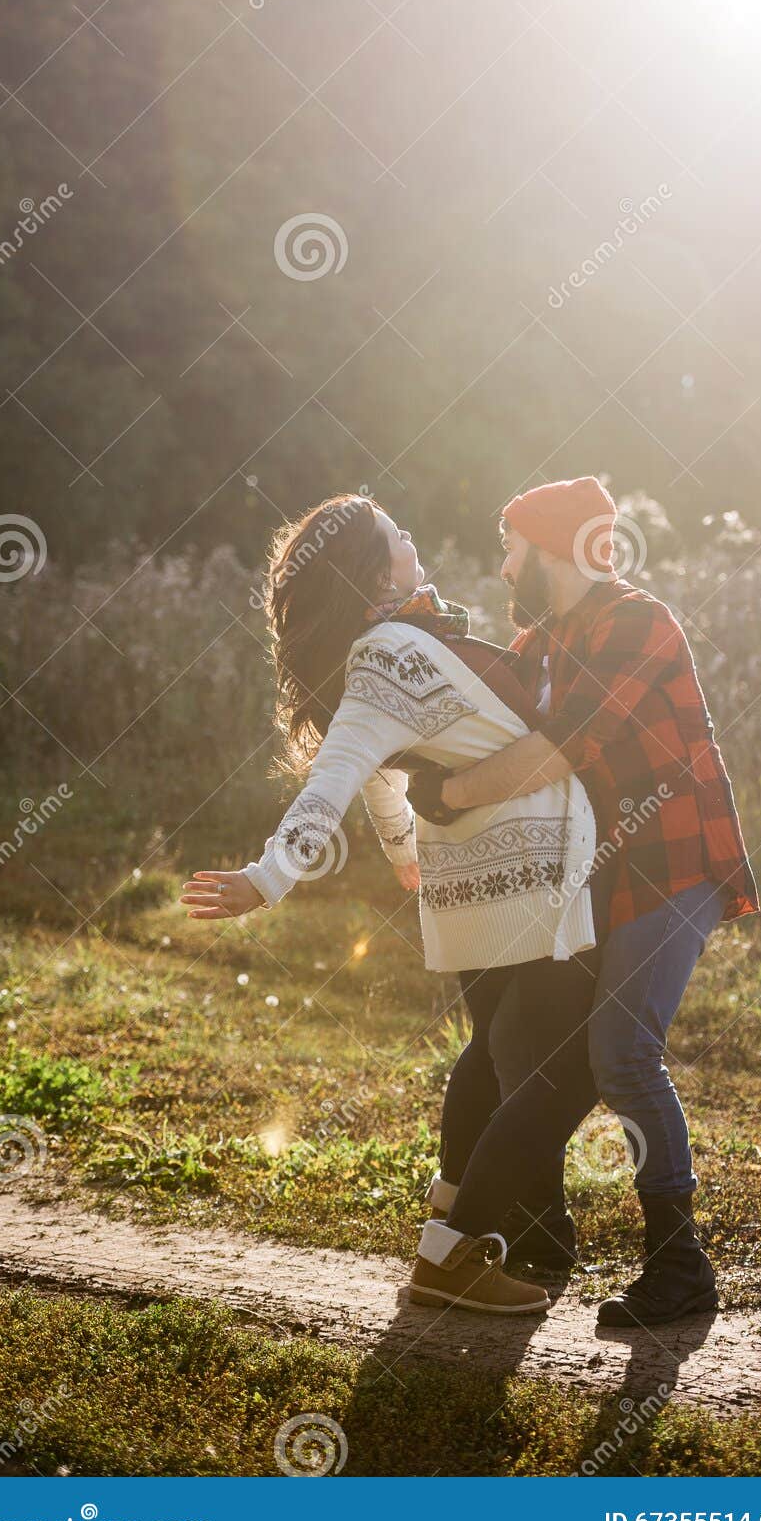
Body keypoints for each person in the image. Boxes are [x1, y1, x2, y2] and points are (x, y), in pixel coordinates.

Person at [180, 491, 602, 1314]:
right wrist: (266, 879)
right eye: (396, 535)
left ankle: (466, 1212)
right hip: (529, 879)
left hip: (468, 884)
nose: (414, 537)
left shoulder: (385, 652)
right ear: (374, 572)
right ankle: (451, 1257)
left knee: (491, 1052)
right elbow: (333, 780)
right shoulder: (387, 653)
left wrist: (408, 856)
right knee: (563, 1068)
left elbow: (376, 776)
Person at [408, 476, 760, 1326]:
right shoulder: (544, 638)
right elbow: (492, 707)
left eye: (509, 548)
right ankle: (537, 1231)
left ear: (551, 547)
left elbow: (560, 746)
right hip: (596, 875)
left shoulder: (638, 620)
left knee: (622, 1055)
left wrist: (450, 793)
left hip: (674, 867)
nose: (500, 568)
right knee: (531, 1044)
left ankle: (680, 1269)